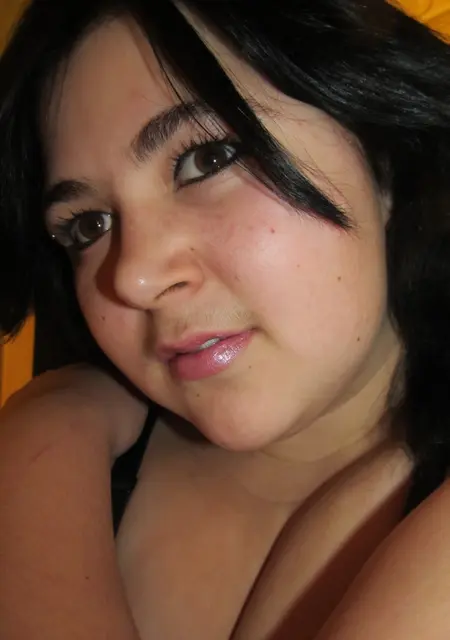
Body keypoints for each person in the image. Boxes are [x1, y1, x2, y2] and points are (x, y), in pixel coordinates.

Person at [1, 1, 450, 638]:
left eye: (207, 159)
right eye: (89, 226)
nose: (134, 277)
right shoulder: (70, 466)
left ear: (384, 158)